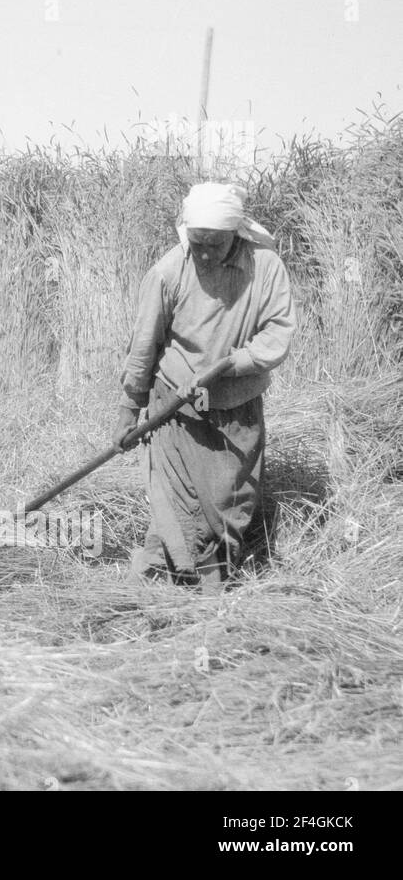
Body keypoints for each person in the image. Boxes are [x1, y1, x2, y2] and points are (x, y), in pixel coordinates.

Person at [113, 182, 296, 592]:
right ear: (186, 235)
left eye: (216, 243)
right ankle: (155, 583)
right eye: (198, 244)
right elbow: (144, 345)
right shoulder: (168, 271)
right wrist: (130, 407)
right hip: (174, 408)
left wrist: (232, 362)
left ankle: (207, 586)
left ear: (237, 234)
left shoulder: (265, 267)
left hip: (237, 406)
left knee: (227, 504)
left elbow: (277, 334)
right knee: (175, 506)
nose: (207, 253)